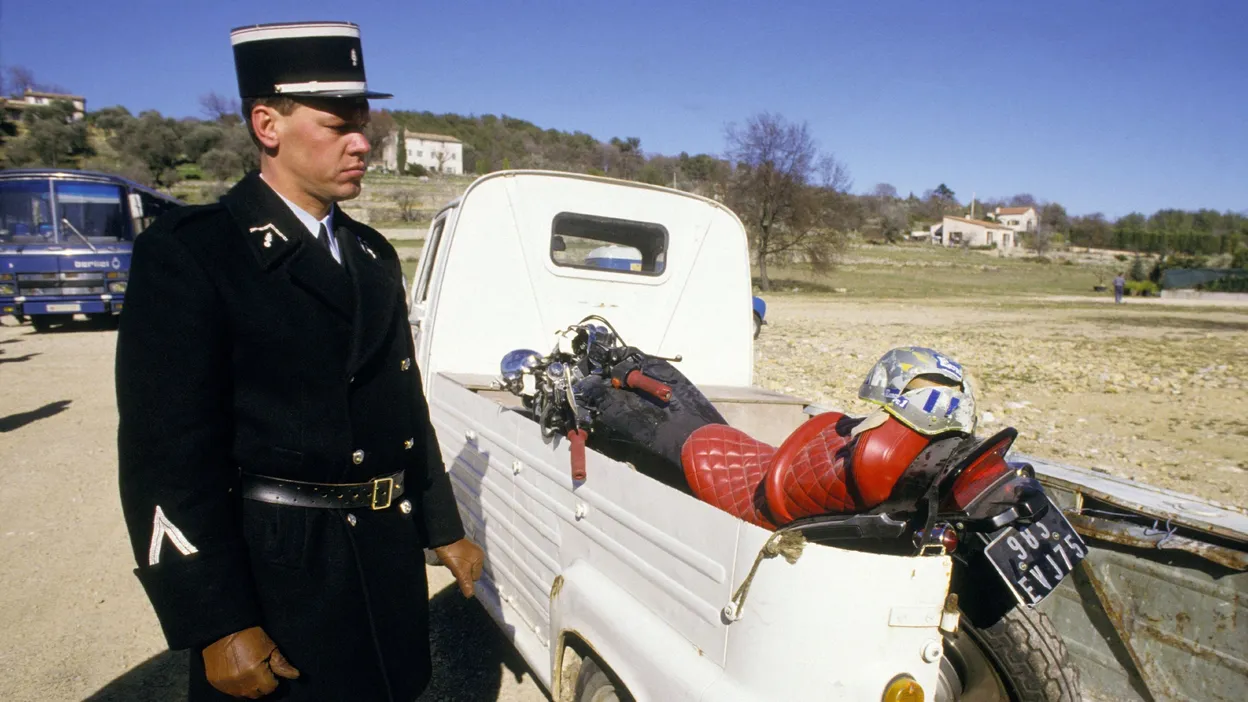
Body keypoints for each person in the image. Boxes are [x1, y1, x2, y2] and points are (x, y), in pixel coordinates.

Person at [115, 21, 484, 701]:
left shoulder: (372, 257)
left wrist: (442, 524)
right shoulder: (197, 253)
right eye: (337, 123)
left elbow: (401, 407)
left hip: (381, 552)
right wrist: (216, 621)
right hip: (281, 568)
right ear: (267, 124)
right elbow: (165, 454)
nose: (362, 141)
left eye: (363, 121)